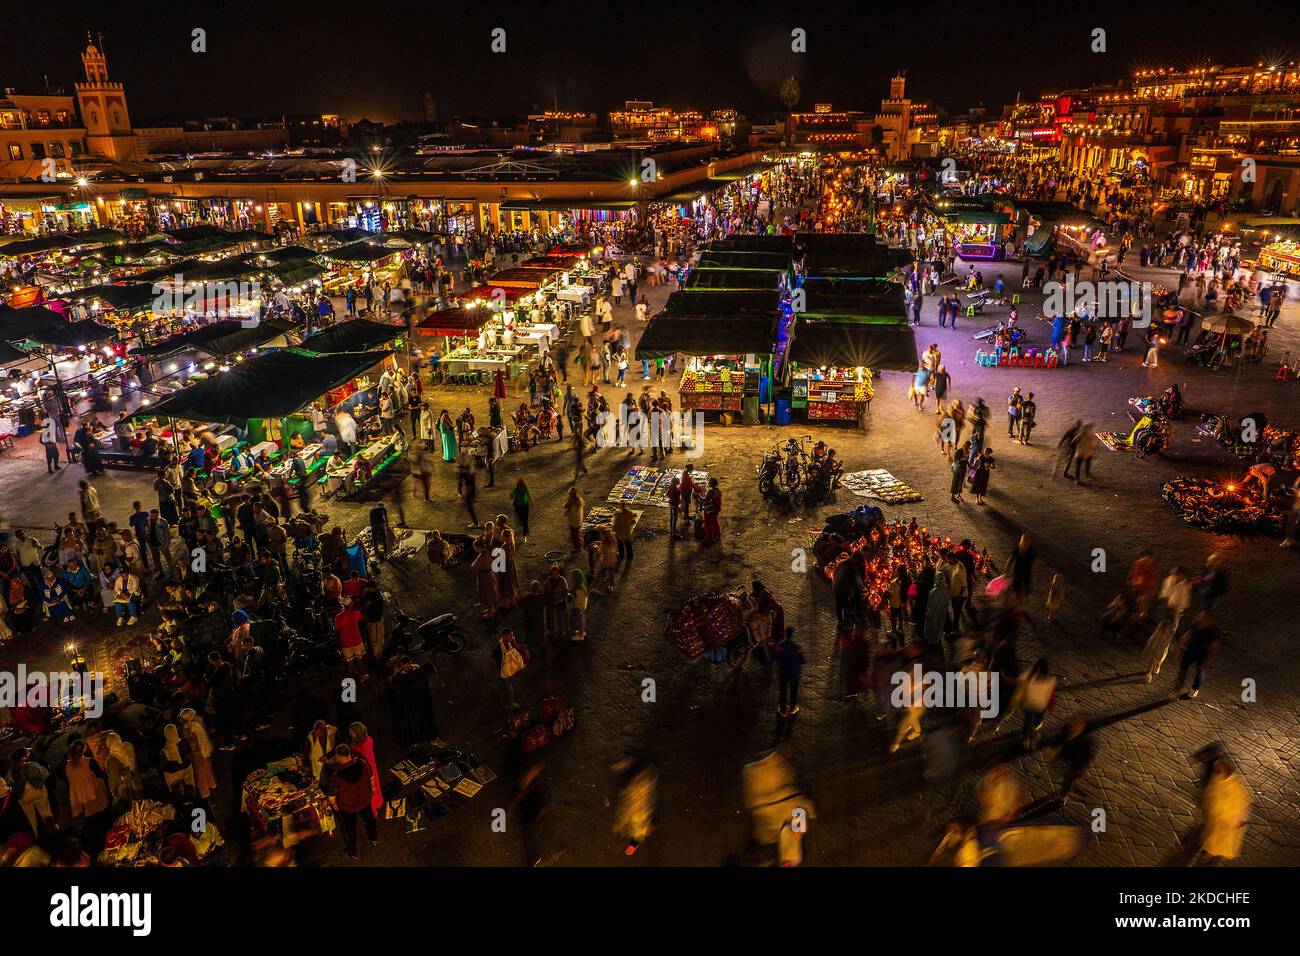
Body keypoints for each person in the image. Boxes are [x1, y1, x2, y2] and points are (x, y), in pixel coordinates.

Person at [323, 744, 378, 861]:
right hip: (364, 801)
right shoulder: (363, 763)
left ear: (338, 757)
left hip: (348, 808)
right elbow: (371, 778)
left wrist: (336, 807)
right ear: (349, 753)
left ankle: (353, 852)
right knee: (369, 820)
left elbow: (332, 797)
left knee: (350, 831)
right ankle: (374, 838)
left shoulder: (335, 778)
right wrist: (372, 792)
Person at [1197, 755, 1251, 865]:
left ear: (1225, 769)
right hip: (1216, 817)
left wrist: (1236, 819)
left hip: (1226, 821)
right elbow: (1212, 793)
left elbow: (1241, 803)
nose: (1215, 770)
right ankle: (1208, 852)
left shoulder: (1236, 787)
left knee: (1218, 840)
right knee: (1212, 837)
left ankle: (1209, 854)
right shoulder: (1218, 778)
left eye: (1218, 768)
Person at [612, 756, 657, 856]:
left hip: (639, 805)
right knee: (627, 821)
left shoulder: (647, 781)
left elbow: (648, 799)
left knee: (638, 828)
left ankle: (634, 842)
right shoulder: (638, 781)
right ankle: (628, 837)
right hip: (634, 800)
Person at [1173, 610, 1220, 700]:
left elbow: (1214, 646)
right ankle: (1181, 686)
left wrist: (1208, 660)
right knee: (1184, 668)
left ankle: (1194, 689)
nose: (1202, 619)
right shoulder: (1196, 625)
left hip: (1202, 654)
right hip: (1191, 650)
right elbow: (1187, 635)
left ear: (1209, 619)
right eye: (1202, 616)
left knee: (1199, 672)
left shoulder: (1213, 631)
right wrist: (1179, 646)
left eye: (1204, 617)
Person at [1046, 715, 1094, 802]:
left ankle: (1063, 796)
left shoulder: (1085, 741)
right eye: (1074, 723)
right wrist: (1053, 747)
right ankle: (1066, 786)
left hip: (1076, 763)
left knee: (1068, 779)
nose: (1075, 726)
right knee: (1062, 774)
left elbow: (1087, 756)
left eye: (1079, 724)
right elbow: (1059, 739)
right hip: (1065, 756)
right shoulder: (1066, 730)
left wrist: (1084, 767)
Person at [63, 739, 110, 820]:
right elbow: (101, 775)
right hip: (96, 796)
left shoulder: (67, 765)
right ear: (84, 748)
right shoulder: (89, 762)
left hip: (83, 800)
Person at [178, 708, 218, 798]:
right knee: (207, 768)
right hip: (204, 750)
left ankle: (204, 791)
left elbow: (193, 745)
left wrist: (192, 755)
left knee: (200, 772)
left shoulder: (190, 729)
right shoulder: (198, 723)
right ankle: (211, 784)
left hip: (198, 753)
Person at [335, 597, 369, 683]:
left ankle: (351, 680)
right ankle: (362, 676)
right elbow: (363, 619)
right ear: (351, 604)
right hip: (356, 641)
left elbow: (337, 630)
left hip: (345, 643)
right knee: (359, 659)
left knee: (349, 662)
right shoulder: (356, 613)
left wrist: (340, 640)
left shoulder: (338, 617)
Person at [772, 627, 805, 717]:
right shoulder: (797, 647)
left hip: (783, 672)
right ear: (792, 635)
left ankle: (783, 710)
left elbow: (774, 657)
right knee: (793, 691)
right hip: (794, 673)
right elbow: (801, 660)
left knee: (783, 691)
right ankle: (793, 708)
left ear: (785, 634)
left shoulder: (779, 646)